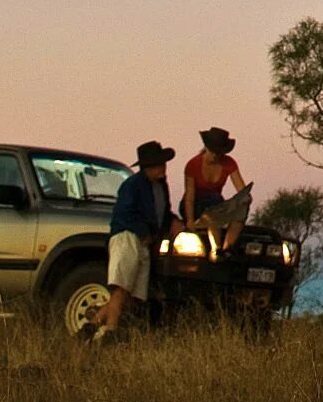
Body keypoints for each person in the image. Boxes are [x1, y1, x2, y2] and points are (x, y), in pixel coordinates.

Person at [88, 139, 174, 341]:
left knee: (131, 294)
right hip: (128, 237)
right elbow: (124, 213)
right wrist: (145, 232)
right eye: (159, 164)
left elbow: (163, 213)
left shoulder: (161, 187)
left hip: (144, 241)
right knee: (121, 288)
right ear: (149, 167)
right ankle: (111, 331)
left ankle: (92, 327)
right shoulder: (132, 185)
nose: (163, 168)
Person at [181, 126, 249, 255]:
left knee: (241, 206)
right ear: (206, 148)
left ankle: (227, 247)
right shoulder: (193, 165)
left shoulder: (229, 163)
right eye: (212, 151)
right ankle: (216, 248)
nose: (215, 156)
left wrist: (245, 198)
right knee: (214, 206)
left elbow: (242, 189)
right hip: (197, 204)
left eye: (218, 153)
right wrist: (190, 220)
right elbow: (189, 196)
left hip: (216, 204)